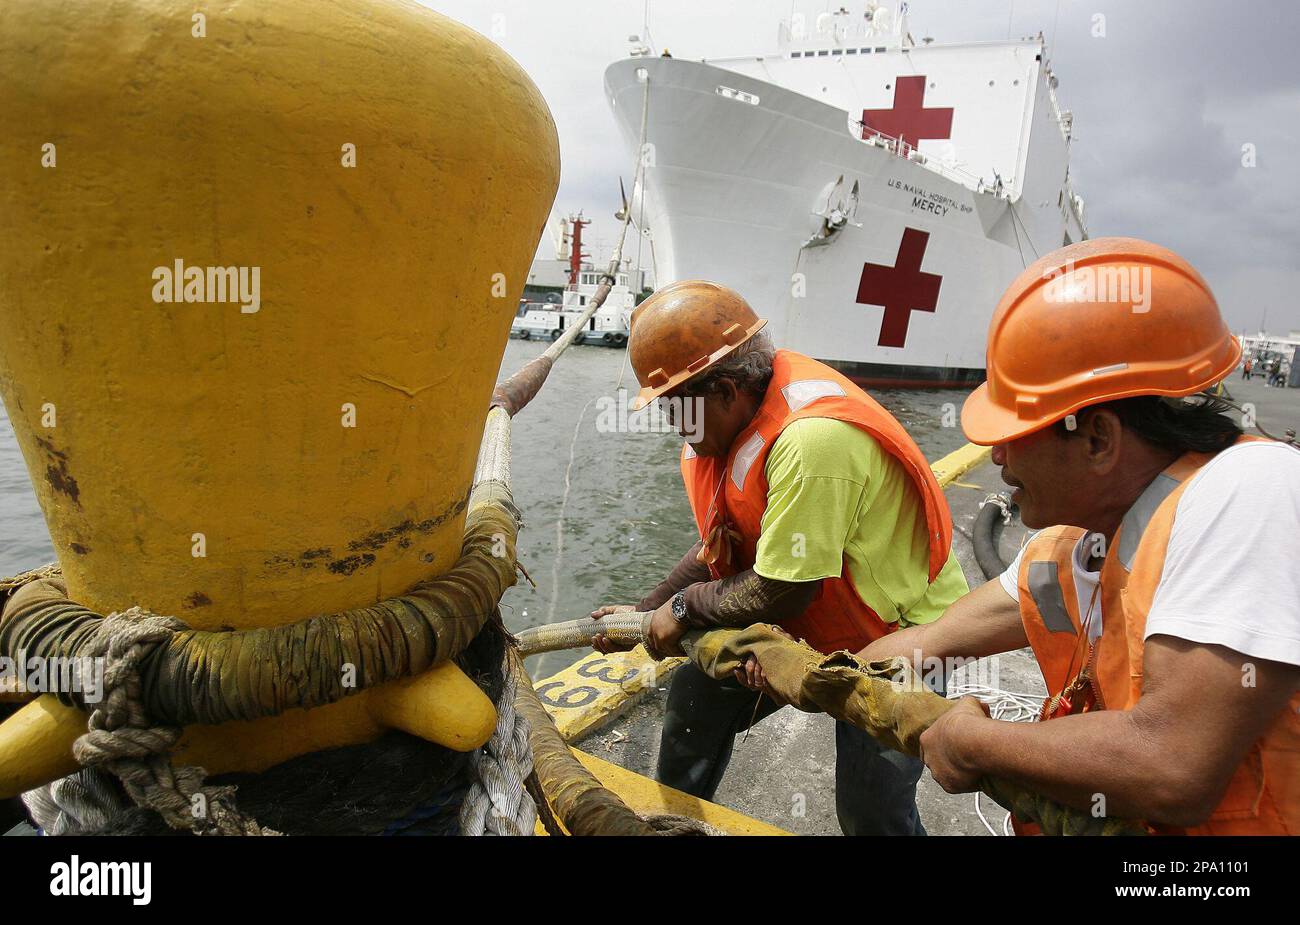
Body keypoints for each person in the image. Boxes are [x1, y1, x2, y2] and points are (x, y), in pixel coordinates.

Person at [744, 237, 1299, 834]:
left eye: (1015, 432)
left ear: (1099, 439)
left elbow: (1173, 767)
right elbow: (930, 641)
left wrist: (977, 741)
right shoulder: (1075, 547)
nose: (997, 455)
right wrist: (808, 674)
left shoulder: (1252, 490)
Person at [591, 280, 968, 835]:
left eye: (676, 410)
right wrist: (643, 611)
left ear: (724, 392)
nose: (674, 428)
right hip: (812, 617)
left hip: (901, 634)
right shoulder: (729, 433)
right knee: (696, 700)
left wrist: (684, 608)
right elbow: (722, 548)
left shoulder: (810, 442)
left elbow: (788, 587)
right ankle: (671, 827)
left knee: (872, 809)